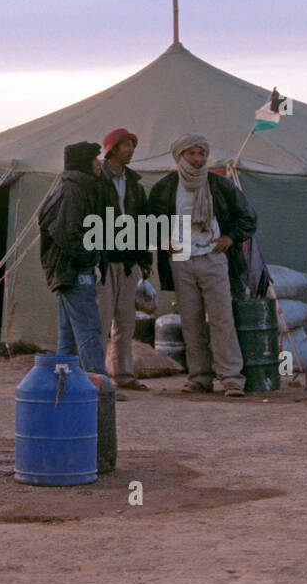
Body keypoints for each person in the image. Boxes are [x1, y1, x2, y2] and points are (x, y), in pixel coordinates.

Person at [146, 134, 257, 397]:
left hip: (213, 255)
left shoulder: (219, 184)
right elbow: (150, 222)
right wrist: (165, 242)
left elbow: (247, 216)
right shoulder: (165, 187)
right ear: (179, 156)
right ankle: (199, 377)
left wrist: (230, 237)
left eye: (201, 154)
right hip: (181, 257)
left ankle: (231, 378)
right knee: (190, 321)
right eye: (191, 154)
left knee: (222, 319)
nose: (197, 159)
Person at [40, 141, 108, 373]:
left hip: (67, 271)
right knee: (88, 328)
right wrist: (90, 258)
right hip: (74, 270)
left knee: (68, 335)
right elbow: (69, 233)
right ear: (83, 164)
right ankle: (97, 381)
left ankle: (64, 382)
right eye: (94, 159)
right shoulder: (73, 192)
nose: (99, 164)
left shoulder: (73, 190)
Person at [94, 128, 153, 390]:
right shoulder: (95, 180)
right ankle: (96, 376)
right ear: (112, 149)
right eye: (126, 145)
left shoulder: (134, 186)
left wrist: (144, 258)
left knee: (126, 321)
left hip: (128, 260)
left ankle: (124, 374)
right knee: (101, 319)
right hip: (103, 259)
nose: (131, 150)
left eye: (132, 145)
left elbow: (142, 223)